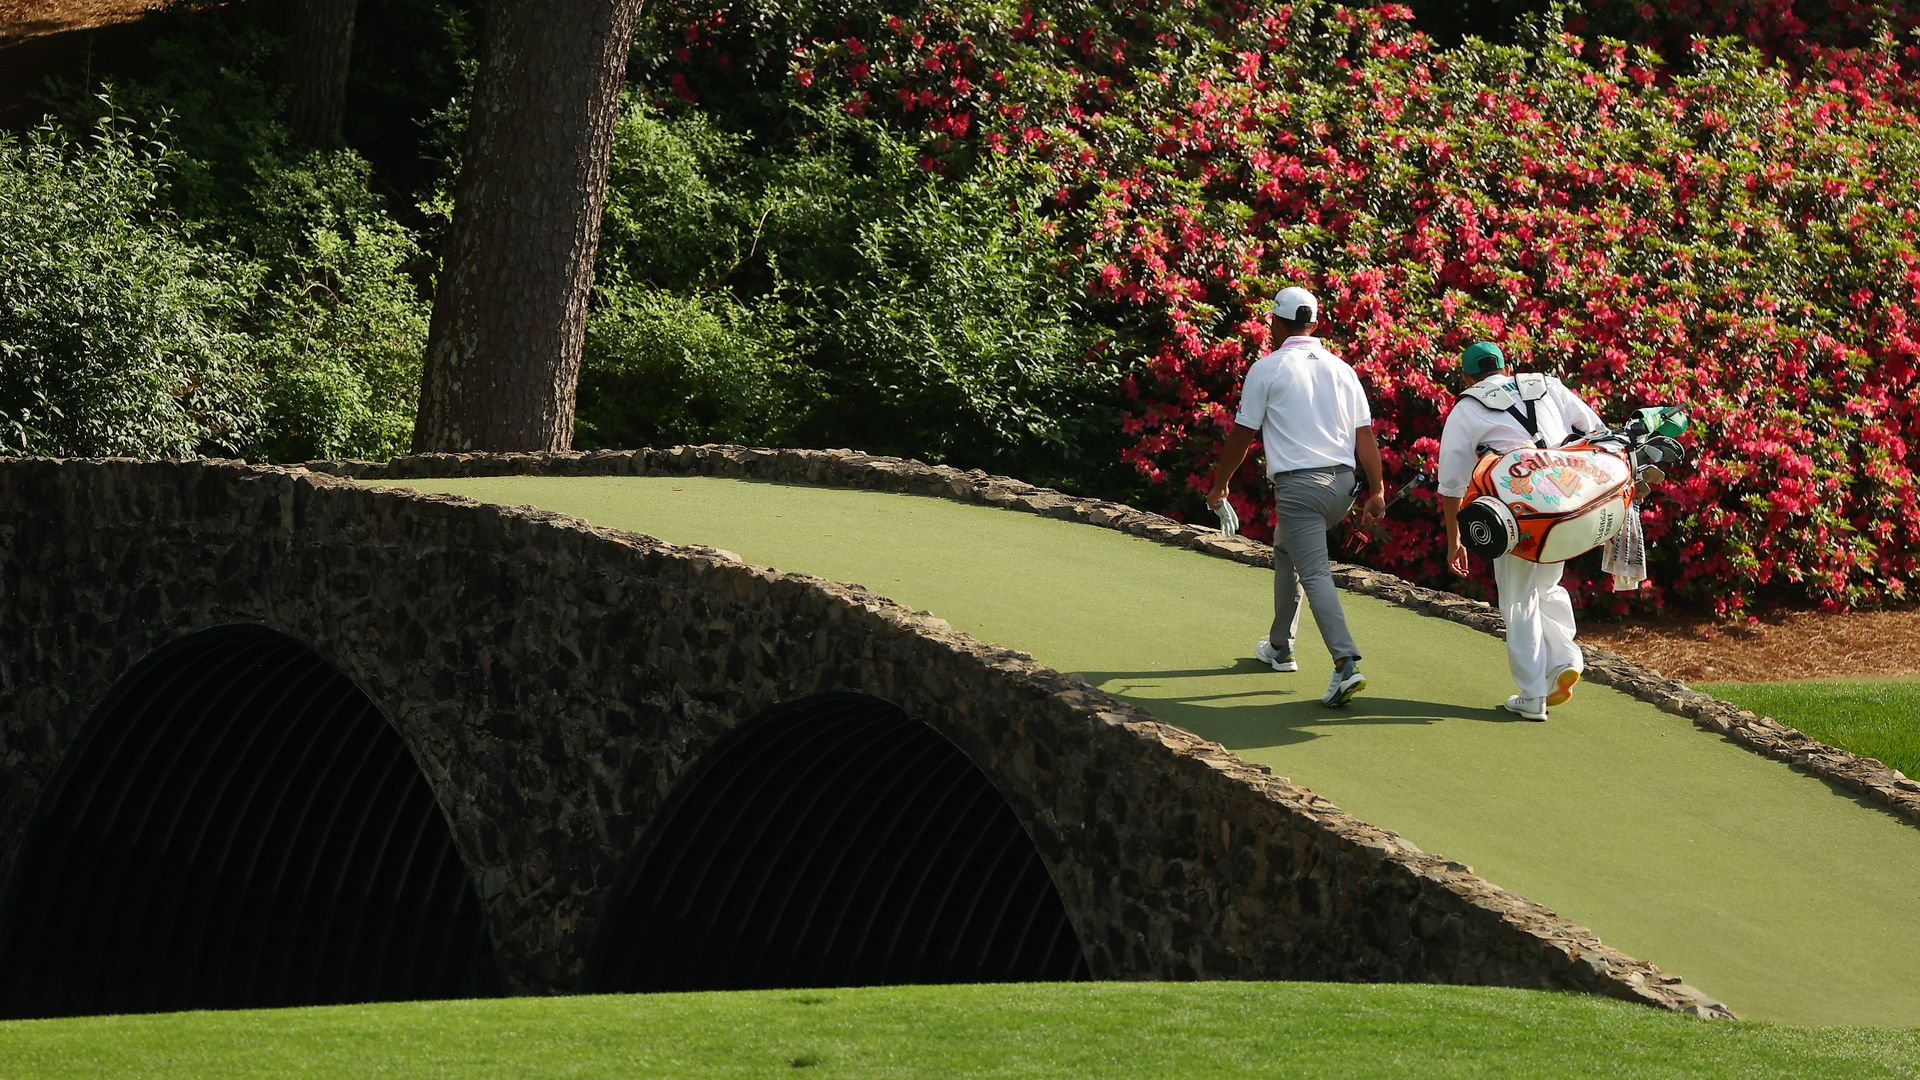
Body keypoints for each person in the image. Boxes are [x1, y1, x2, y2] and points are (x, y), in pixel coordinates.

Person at [1206, 286, 1385, 707]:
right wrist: (1376, 490)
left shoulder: (1266, 368)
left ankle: (1346, 664)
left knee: (1316, 573)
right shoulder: (1342, 369)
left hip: (1300, 491)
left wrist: (1219, 486)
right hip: (1342, 488)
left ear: (1274, 323)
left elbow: (1241, 436)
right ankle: (1279, 646)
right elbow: (1365, 437)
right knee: (1286, 549)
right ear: (1314, 323)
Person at [1436, 341, 1604, 721]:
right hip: (1566, 504)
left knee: (1517, 598)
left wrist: (1454, 541)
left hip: (1516, 515)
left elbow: (1451, 485)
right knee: (1547, 585)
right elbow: (1593, 428)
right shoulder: (1546, 384)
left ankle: (1532, 696)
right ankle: (1563, 659)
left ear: (1466, 376)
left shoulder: (1466, 407)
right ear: (1505, 365)